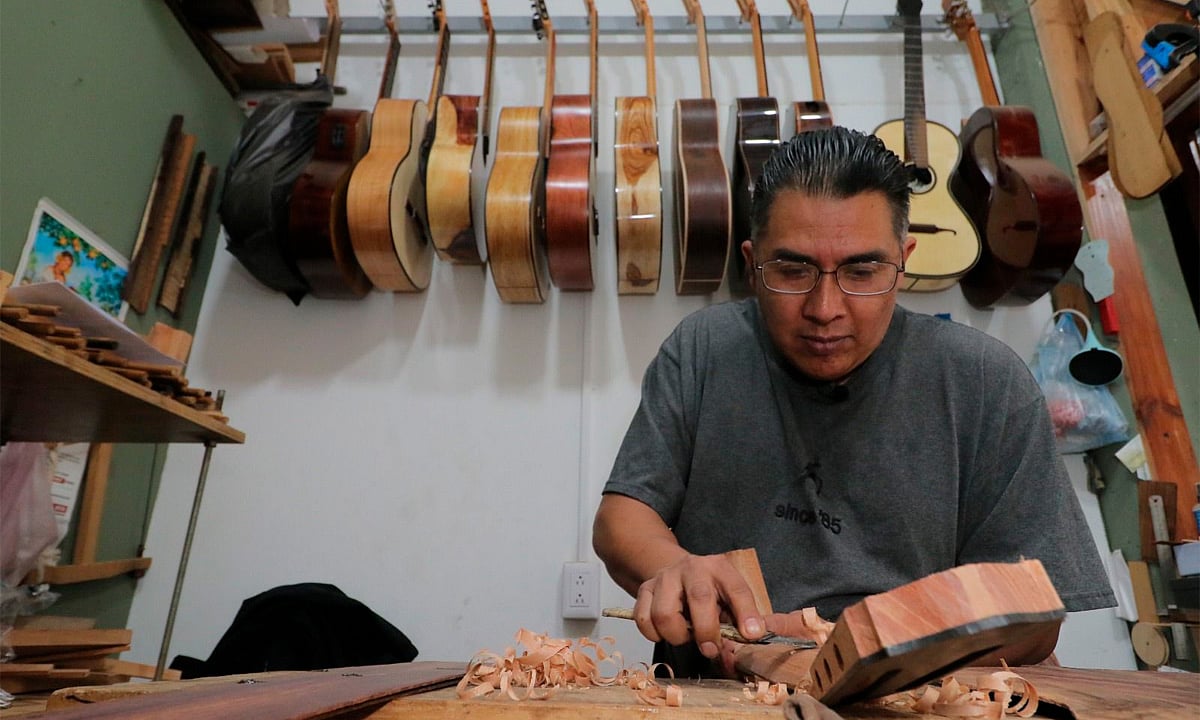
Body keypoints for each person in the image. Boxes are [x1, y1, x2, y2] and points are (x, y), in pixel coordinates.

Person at [592, 126, 1115, 679]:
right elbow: (622, 518)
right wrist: (678, 570)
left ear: (903, 261)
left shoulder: (986, 382)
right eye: (793, 271)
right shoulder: (704, 349)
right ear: (753, 263)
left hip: (912, 696)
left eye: (862, 272)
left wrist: (855, 640)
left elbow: (1036, 618)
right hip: (714, 690)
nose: (825, 308)